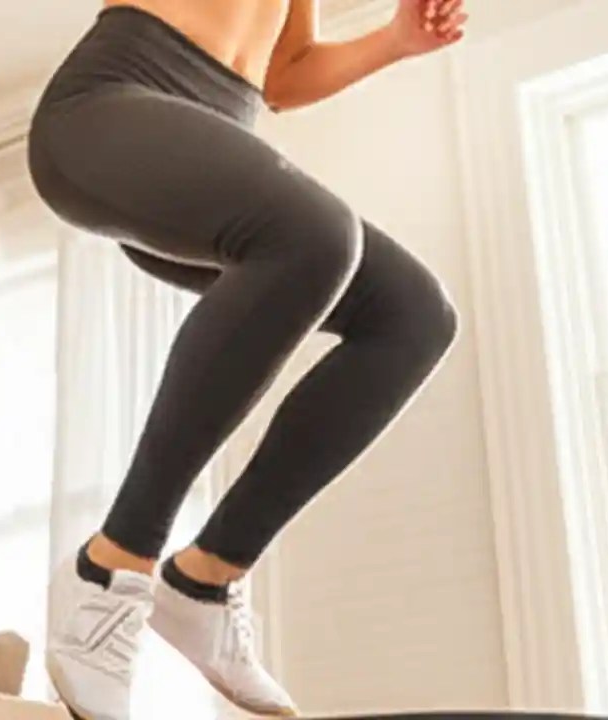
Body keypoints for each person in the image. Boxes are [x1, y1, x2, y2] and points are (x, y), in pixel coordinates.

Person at [27, 0, 469, 717]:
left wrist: (393, 41)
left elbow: (284, 73)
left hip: (212, 127)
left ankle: (204, 581)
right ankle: (110, 568)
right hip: (106, 109)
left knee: (413, 315)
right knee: (319, 235)